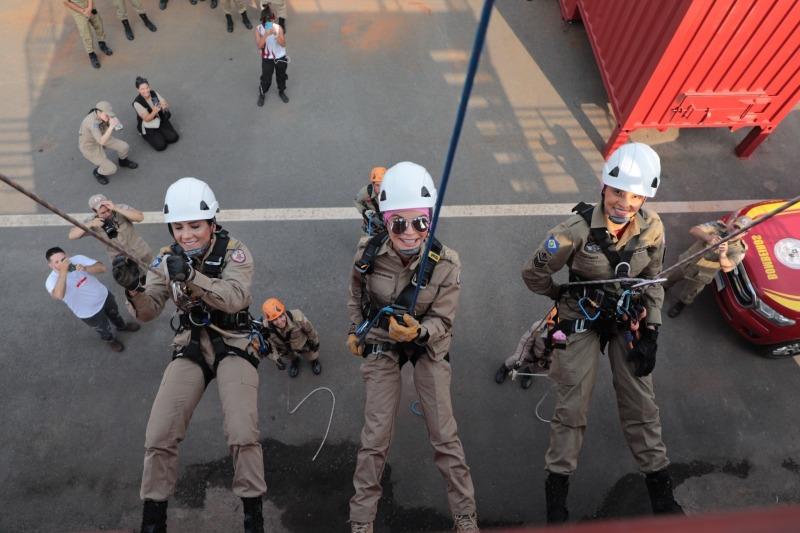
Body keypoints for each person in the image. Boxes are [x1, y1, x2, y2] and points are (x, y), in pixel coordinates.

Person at [522, 142, 683, 523]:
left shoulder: (652, 228)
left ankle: (662, 496)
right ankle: (556, 499)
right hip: (582, 318)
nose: (624, 203)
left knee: (641, 404)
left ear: (645, 196)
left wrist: (652, 329)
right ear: (604, 187)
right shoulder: (572, 232)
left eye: (635, 195)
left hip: (627, 316)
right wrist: (559, 294)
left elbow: (652, 280)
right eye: (617, 192)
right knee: (572, 406)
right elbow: (532, 273)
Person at [111, 177, 267, 533]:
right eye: (178, 227)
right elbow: (149, 310)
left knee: (243, 432)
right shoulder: (167, 260)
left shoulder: (234, 252)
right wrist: (134, 287)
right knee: (159, 435)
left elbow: (237, 297)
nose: (187, 235)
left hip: (233, 341)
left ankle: (252, 515)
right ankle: (153, 519)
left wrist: (192, 276)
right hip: (193, 342)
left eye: (195, 226)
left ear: (212, 223)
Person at [346, 162, 479, 533]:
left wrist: (419, 333)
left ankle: (464, 515)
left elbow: (444, 320)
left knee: (444, 433)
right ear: (385, 222)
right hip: (382, 340)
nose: (409, 232)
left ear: (430, 221)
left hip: (426, 345)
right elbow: (356, 295)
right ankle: (361, 519)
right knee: (374, 436)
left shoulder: (446, 263)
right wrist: (355, 330)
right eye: (398, 223)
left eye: (419, 222)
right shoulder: (367, 253)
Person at [45, 247, 140, 352]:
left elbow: (102, 268)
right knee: (103, 328)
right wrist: (63, 271)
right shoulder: (51, 280)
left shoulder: (78, 259)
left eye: (63, 259)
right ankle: (110, 340)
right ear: (50, 265)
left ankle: (122, 326)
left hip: (104, 297)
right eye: (57, 262)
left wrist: (85, 268)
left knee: (115, 314)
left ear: (67, 256)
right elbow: (59, 295)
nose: (62, 263)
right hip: (88, 313)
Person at [663, 216, 751, 318]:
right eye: (735, 226)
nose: (735, 230)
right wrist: (709, 238)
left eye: (740, 229)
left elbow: (728, 267)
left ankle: (681, 304)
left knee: (690, 293)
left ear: (745, 233)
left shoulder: (739, 249)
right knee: (670, 277)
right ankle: (663, 288)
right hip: (687, 262)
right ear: (731, 223)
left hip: (702, 274)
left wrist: (723, 254)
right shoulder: (717, 227)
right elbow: (694, 230)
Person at [68, 194, 153, 285]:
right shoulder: (92, 221)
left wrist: (116, 208)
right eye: (103, 213)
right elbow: (72, 235)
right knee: (134, 282)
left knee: (153, 272)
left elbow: (140, 217)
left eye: (108, 210)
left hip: (140, 250)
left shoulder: (120, 208)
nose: (108, 214)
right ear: (94, 211)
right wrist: (91, 224)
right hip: (122, 260)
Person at [79, 101, 138, 185]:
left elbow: (119, 127)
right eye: (106, 115)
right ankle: (98, 172)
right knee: (111, 169)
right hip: (91, 146)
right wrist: (111, 127)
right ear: (98, 112)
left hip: (103, 136)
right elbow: (101, 141)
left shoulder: (105, 115)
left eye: (109, 114)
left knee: (124, 147)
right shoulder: (92, 123)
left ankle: (123, 161)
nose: (108, 116)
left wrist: (116, 123)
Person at [260, 298, 321, 377]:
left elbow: (310, 330)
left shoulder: (297, 317)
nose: (279, 321)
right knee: (291, 356)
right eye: (275, 319)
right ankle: (295, 361)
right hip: (285, 349)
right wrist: (276, 359)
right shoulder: (266, 329)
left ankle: (314, 361)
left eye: (281, 316)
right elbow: (271, 345)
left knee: (311, 354)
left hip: (302, 344)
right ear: (270, 321)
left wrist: (315, 341)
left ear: (283, 312)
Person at [493, 314, 553, 390]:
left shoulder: (567, 339)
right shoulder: (538, 327)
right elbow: (525, 343)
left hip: (547, 358)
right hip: (531, 351)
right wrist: (519, 362)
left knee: (546, 366)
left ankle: (529, 371)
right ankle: (505, 367)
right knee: (517, 358)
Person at [133, 76, 180, 152]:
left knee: (174, 138)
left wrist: (164, 106)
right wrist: (154, 111)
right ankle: (144, 135)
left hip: (159, 118)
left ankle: (160, 132)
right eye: (142, 89)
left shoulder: (153, 93)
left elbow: (165, 104)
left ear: (149, 87)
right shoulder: (137, 103)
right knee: (161, 146)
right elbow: (147, 119)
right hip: (149, 124)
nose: (146, 91)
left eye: (147, 87)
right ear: (138, 90)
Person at [63, 0, 113, 68]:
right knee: (85, 31)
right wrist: (82, 11)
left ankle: (102, 43)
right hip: (77, 9)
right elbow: (66, 2)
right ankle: (91, 54)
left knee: (98, 23)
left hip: (89, 3)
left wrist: (89, 7)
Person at [255, 6, 288, 106]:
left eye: (269, 20)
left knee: (281, 76)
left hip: (280, 57)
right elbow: (260, 46)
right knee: (266, 78)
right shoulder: (258, 29)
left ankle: (281, 91)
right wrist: (265, 35)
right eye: (265, 21)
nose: (267, 24)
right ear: (262, 21)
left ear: (273, 19)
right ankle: (262, 93)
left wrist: (276, 34)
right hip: (267, 58)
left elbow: (283, 44)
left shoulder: (278, 28)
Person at [354, 167, 386, 235]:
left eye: (383, 185)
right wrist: (364, 211)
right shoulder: (365, 192)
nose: (380, 189)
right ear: (373, 184)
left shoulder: (390, 192)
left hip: (387, 223)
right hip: (371, 225)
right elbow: (357, 201)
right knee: (367, 243)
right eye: (377, 185)